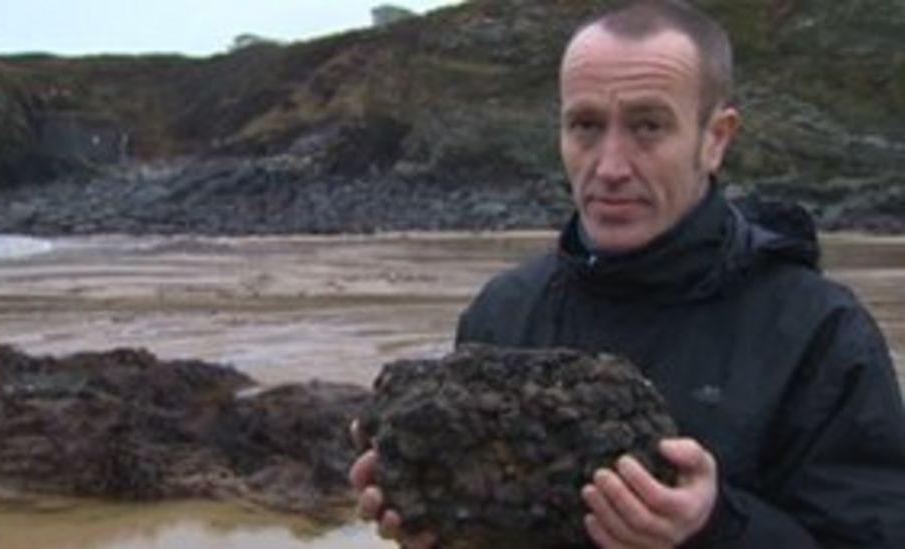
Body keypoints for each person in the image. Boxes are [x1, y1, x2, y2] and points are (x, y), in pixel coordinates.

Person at [349, 0, 905, 547]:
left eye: (648, 126)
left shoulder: (820, 332)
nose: (611, 166)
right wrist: (438, 518)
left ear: (715, 139)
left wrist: (714, 527)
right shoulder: (504, 311)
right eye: (586, 125)